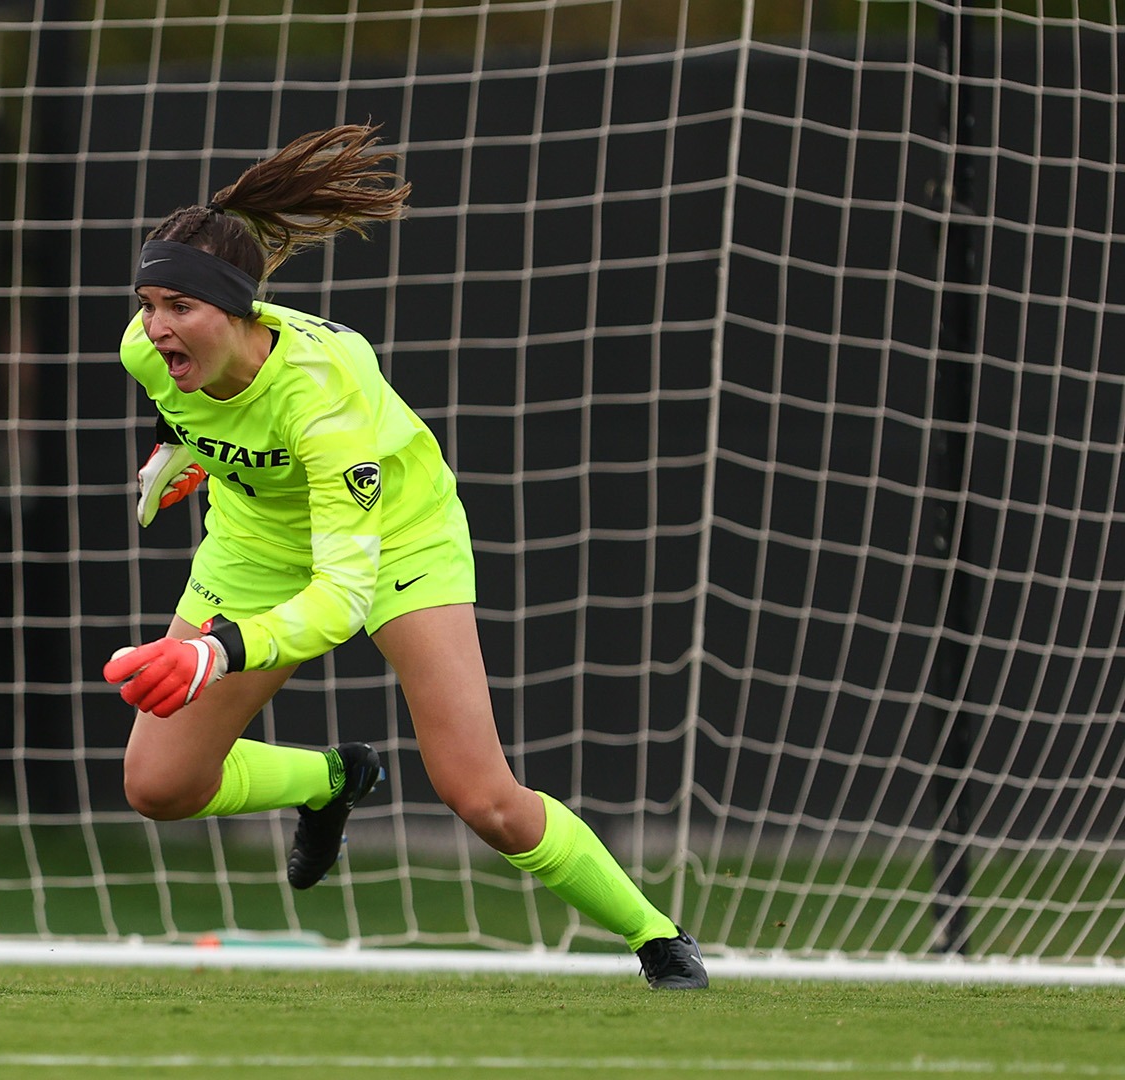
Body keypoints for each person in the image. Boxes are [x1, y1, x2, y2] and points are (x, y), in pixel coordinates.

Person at [100, 123, 707, 989]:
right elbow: (188, 408)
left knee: (483, 798)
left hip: (394, 544)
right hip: (252, 545)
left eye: (180, 308)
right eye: (147, 303)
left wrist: (214, 649)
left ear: (240, 310)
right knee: (159, 785)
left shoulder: (324, 395)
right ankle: (331, 780)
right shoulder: (147, 353)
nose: (156, 327)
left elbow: (343, 599)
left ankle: (656, 936)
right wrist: (181, 454)